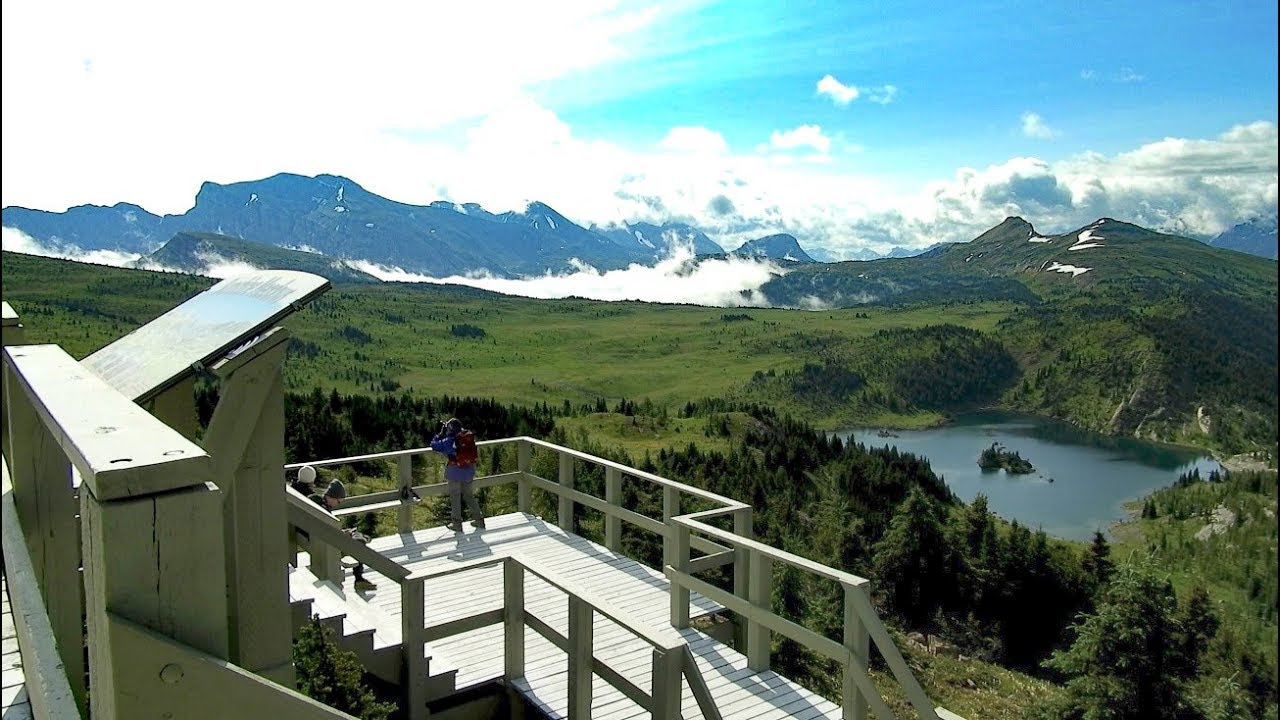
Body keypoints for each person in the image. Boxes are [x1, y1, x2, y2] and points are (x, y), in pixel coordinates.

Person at [310, 479, 377, 592]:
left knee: (356, 538)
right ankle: (359, 579)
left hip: (316, 540)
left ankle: (359, 578)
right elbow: (328, 534)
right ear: (332, 496)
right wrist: (344, 534)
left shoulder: (317, 502)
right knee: (359, 544)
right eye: (339, 501)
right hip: (326, 545)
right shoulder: (324, 510)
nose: (338, 504)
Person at [430, 417, 485, 532]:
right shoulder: (466, 437)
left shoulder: (450, 440)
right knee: (469, 495)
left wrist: (440, 434)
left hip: (455, 471)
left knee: (455, 497)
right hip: (469, 470)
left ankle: (457, 524)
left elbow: (434, 445)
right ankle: (479, 520)